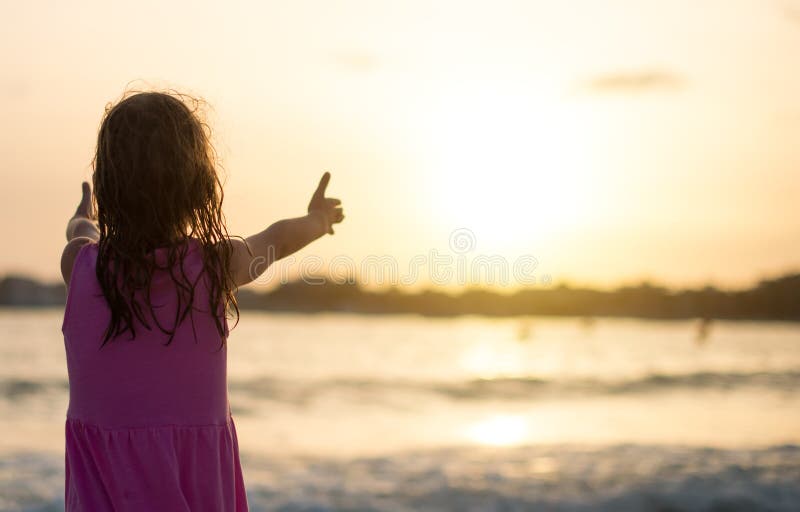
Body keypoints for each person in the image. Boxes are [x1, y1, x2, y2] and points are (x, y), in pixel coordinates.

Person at [60, 91, 344, 511]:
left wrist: (83, 217)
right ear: (198, 186)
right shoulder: (216, 267)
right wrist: (319, 220)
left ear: (108, 184)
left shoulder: (82, 266)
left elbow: (82, 232)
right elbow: (277, 240)